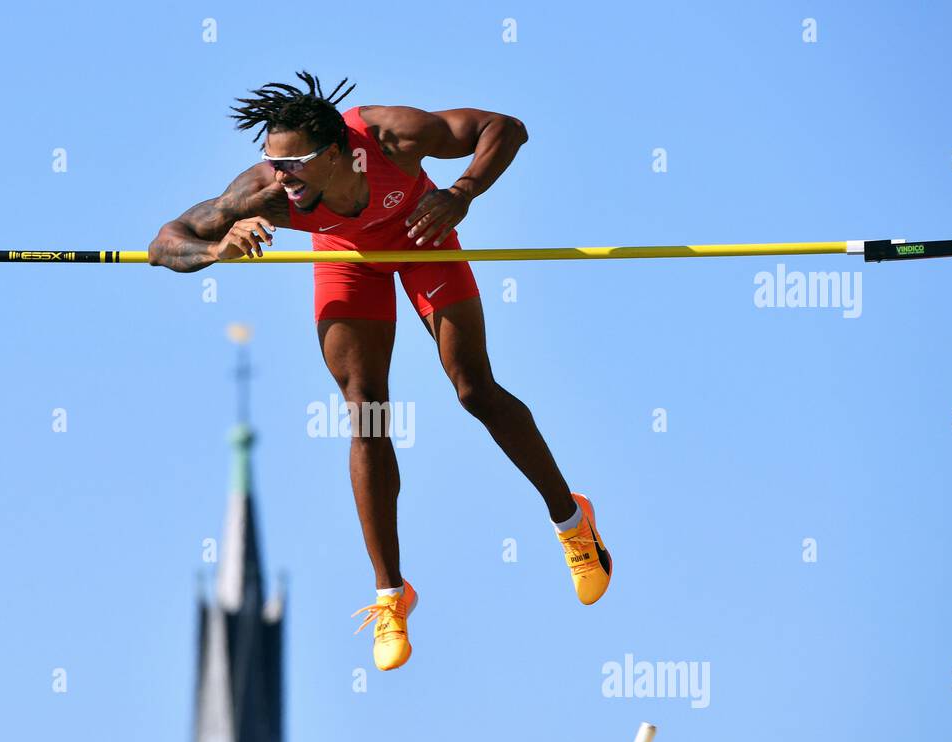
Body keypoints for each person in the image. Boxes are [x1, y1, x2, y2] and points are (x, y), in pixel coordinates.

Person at [148, 72, 611, 672]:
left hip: (422, 232)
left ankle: (572, 522)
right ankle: (391, 595)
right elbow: (165, 241)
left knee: (473, 388)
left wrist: (462, 192)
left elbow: (507, 129)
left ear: (337, 151)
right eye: (272, 164)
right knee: (366, 410)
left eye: (295, 165)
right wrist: (215, 251)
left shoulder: (393, 137)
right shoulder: (265, 191)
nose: (282, 178)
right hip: (348, 259)